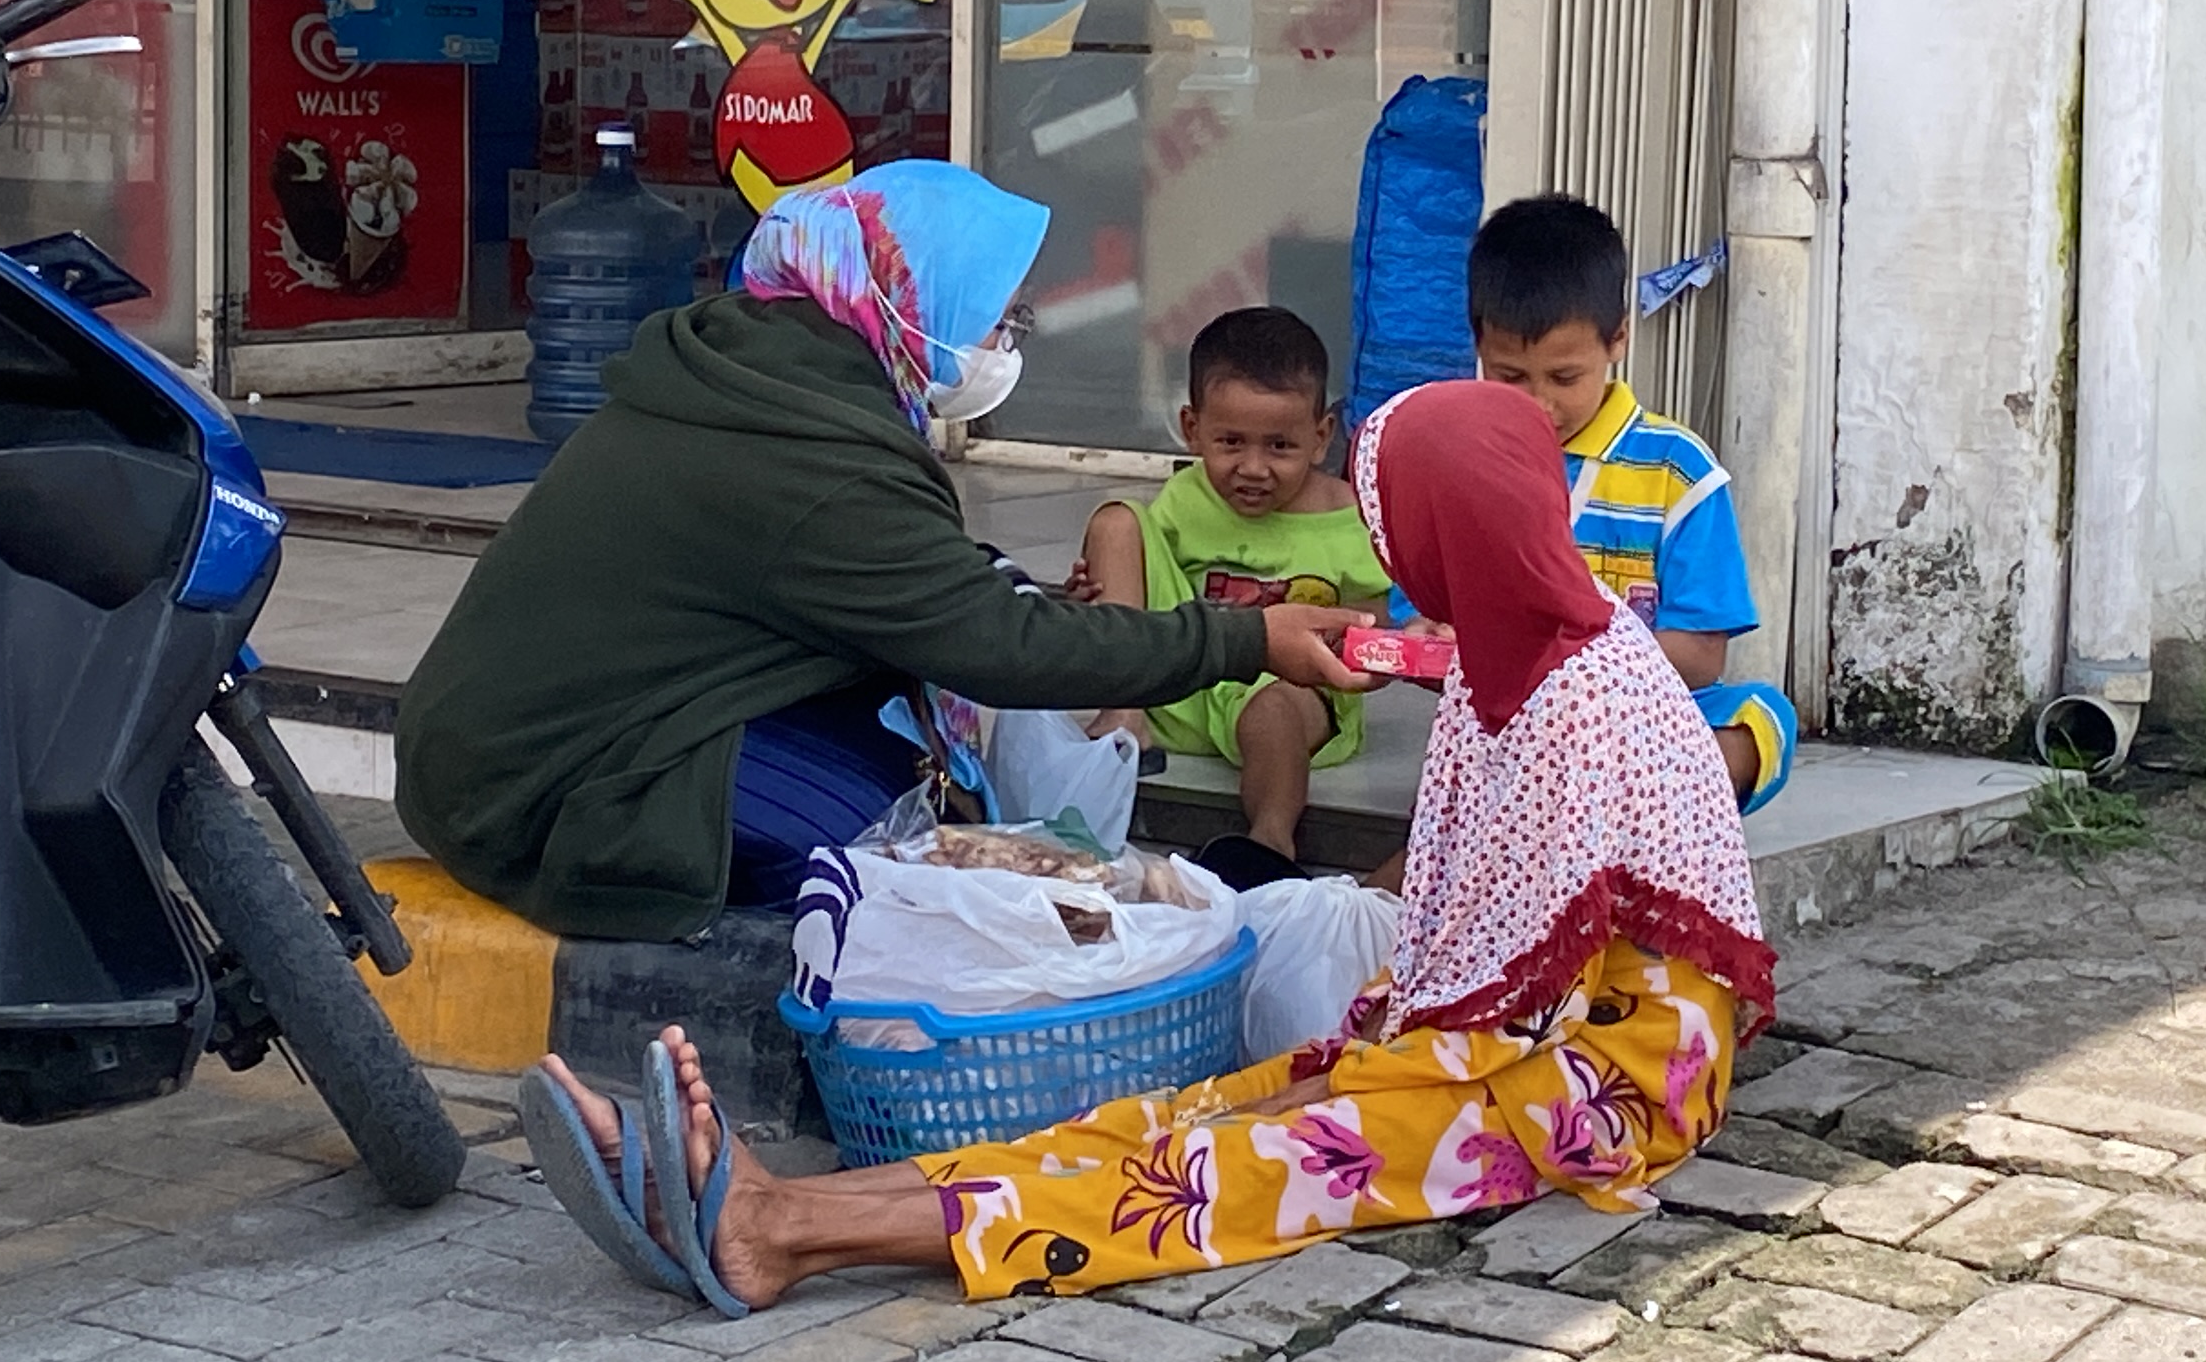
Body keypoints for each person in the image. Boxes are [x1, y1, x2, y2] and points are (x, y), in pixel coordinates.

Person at [517, 380, 1777, 1314]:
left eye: (1398, 518)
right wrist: (1364, 1046)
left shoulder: (1581, 694)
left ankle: (787, 1228)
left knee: (1219, 1172)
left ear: (1452, 532)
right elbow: (1475, 925)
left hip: (1611, 1084)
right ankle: (771, 1205)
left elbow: (1526, 976)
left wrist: (1362, 1066)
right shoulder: (1519, 653)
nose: (1385, 549)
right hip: (1511, 1027)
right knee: (1178, 1117)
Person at [394, 163, 1375, 938]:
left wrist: (1005, 598)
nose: (1004, 339)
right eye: (997, 314)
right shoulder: (810, 448)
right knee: (885, 849)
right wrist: (1247, 641)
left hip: (513, 740)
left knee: (910, 776)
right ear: (917, 297)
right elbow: (995, 648)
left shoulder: (767, 360)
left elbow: (927, 597)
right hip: (531, 795)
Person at [1463, 194, 1797, 811]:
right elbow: (1424, 618)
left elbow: (1700, 655)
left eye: (1565, 378)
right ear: (1478, 344)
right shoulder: (1463, 460)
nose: (1539, 405)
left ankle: (1628, 815)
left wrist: (1578, 664)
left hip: (1645, 712)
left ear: (1617, 339)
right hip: (1508, 717)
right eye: (1509, 377)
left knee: (1763, 722)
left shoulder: (1678, 472)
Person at [1068, 307, 1391, 879]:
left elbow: (1369, 630)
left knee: (1273, 705)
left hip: (1293, 695)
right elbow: (1148, 567)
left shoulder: (1350, 518)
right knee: (1117, 520)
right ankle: (1125, 719)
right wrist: (1096, 593)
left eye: (1280, 447)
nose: (1253, 467)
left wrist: (1355, 653)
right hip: (1187, 678)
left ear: (1320, 438)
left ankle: (1268, 841)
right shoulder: (1187, 496)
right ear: (1192, 429)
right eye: (1230, 442)